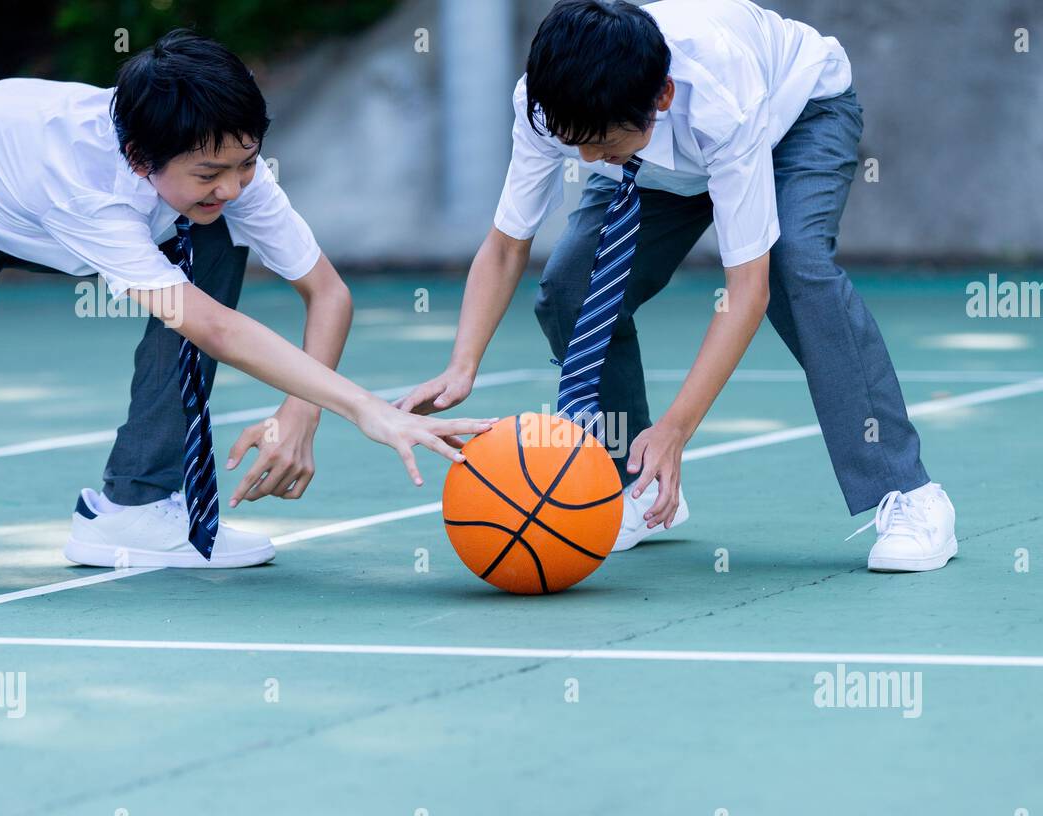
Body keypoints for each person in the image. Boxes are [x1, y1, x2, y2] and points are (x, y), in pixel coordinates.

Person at [396, 0, 956, 571]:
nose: (586, 158)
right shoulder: (548, 103)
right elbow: (506, 245)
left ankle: (912, 495)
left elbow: (747, 289)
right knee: (572, 285)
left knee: (795, 266)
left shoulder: (720, 92)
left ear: (661, 96)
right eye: (575, 143)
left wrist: (675, 430)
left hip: (797, 116)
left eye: (598, 144)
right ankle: (633, 486)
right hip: (654, 160)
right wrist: (463, 363)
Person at [0, 30, 492, 569]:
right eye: (210, 174)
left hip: (35, 204)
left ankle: (133, 508)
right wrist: (370, 410)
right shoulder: (88, 187)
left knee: (216, 231)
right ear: (140, 159)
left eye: (246, 163)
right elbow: (213, 329)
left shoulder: (216, 149)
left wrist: (300, 415)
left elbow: (327, 292)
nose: (232, 184)